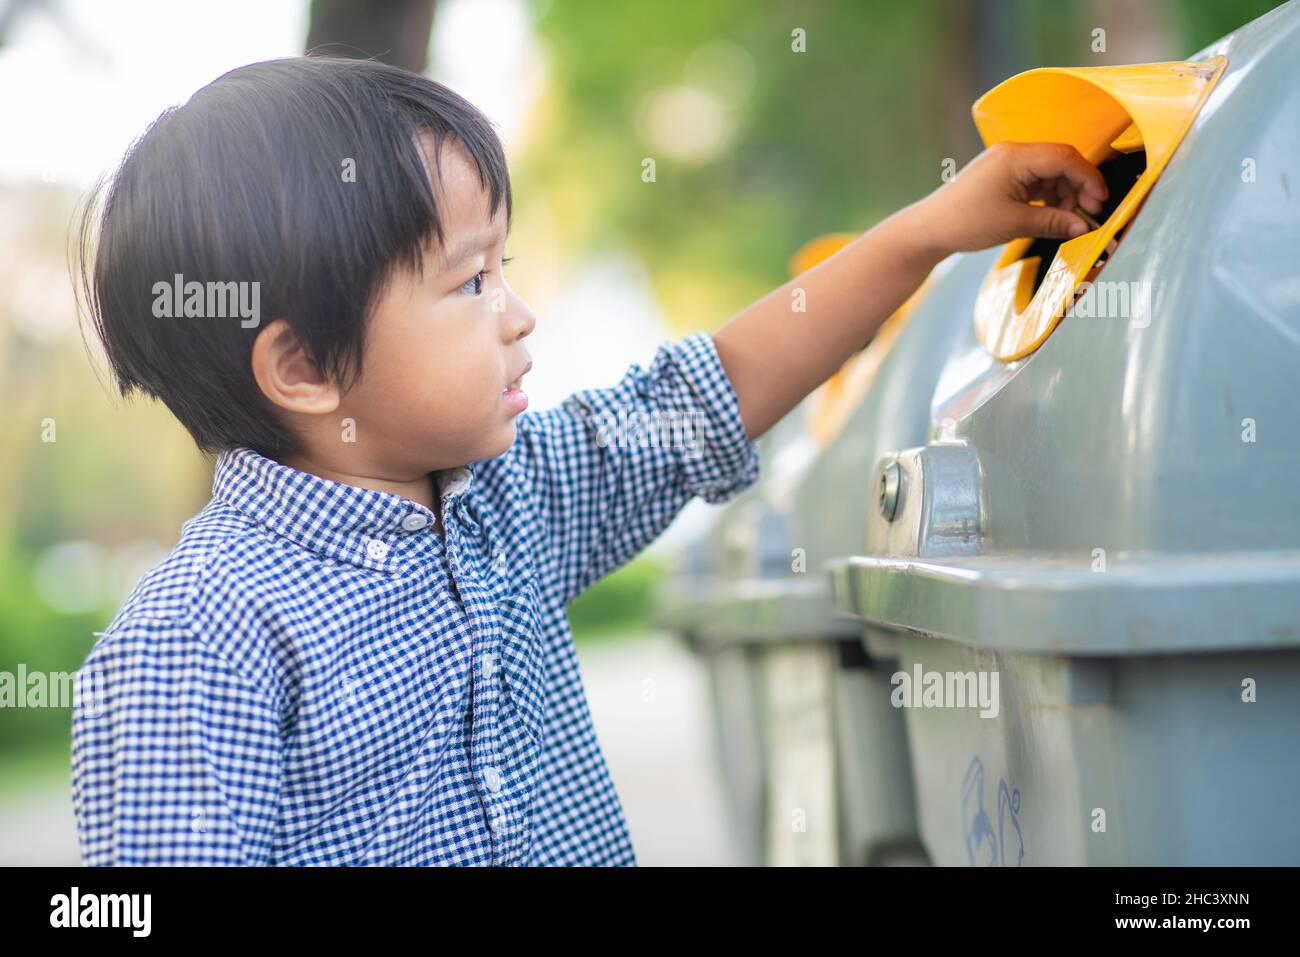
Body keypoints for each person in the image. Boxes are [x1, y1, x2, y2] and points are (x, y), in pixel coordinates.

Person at [71, 56, 1106, 865]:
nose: (517, 316)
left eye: (504, 267)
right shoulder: (195, 640)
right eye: (468, 282)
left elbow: (713, 391)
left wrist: (933, 230)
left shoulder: (510, 505)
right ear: (300, 366)